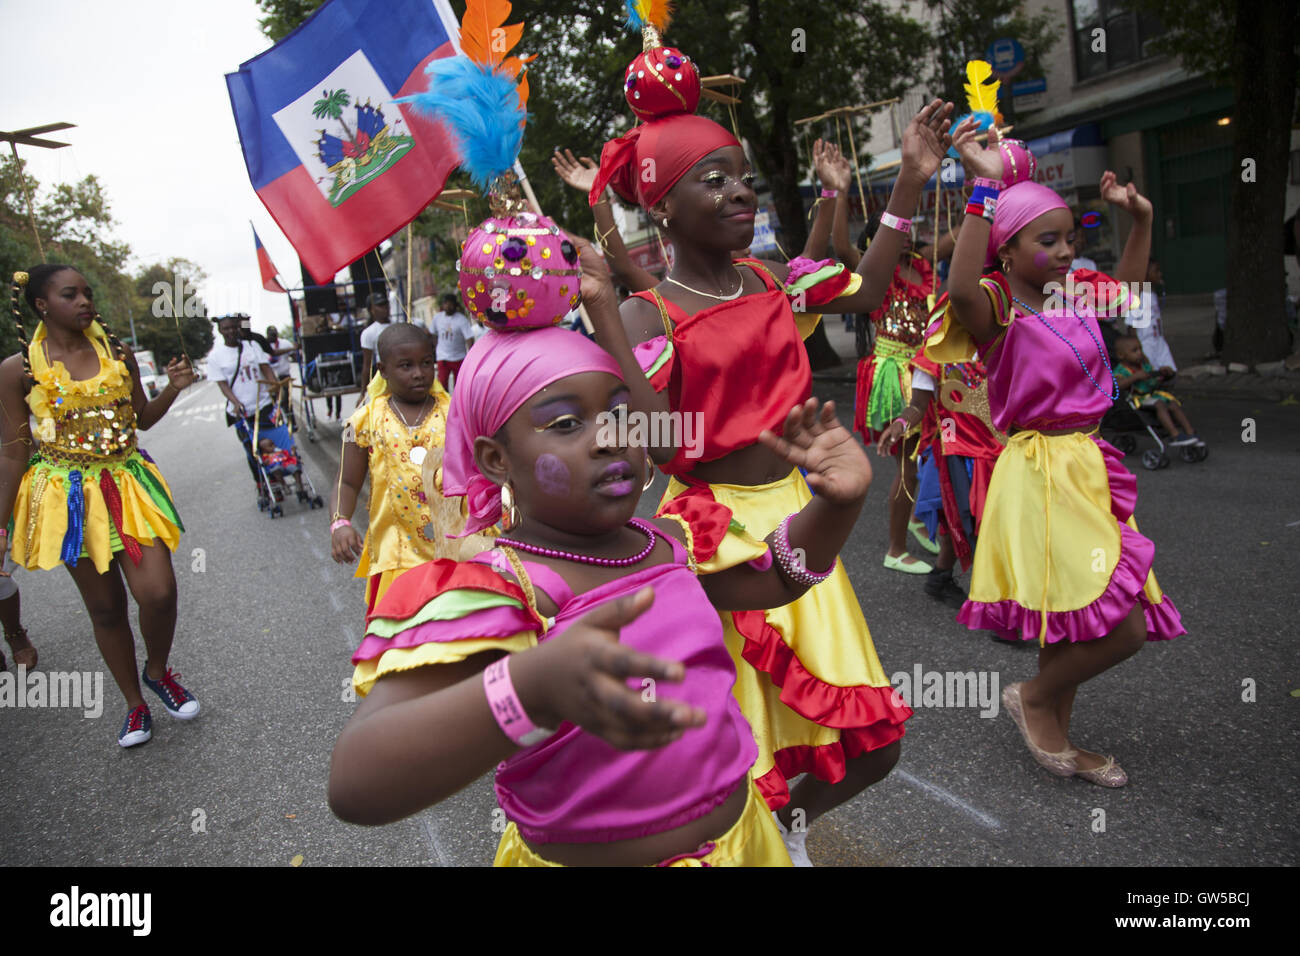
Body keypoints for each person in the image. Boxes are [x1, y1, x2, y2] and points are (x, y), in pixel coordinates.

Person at [584, 37, 956, 859]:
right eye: (711, 180)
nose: (739, 191)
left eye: (743, 175)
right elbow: (650, 445)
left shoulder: (770, 279)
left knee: (874, 740)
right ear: (664, 209)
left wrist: (910, 180)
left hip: (806, 513)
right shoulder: (653, 312)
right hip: (718, 539)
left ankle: (783, 831)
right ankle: (747, 844)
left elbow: (863, 287)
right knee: (735, 745)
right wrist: (609, 321)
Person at [328, 313, 876, 867]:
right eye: (566, 424)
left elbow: (778, 577)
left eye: (619, 413)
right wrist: (527, 689)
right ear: (496, 459)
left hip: (748, 846)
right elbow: (356, 782)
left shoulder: (672, 538)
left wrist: (837, 505)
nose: (609, 438)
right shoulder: (502, 588)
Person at [932, 121, 1184, 787]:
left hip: (1088, 466)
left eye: (1072, 237)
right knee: (1123, 625)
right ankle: (1034, 698)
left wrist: (1140, 222)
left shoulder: (1073, 296)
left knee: (1075, 611)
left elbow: (1128, 294)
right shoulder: (995, 308)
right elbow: (958, 291)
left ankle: (1057, 732)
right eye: (1049, 240)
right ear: (1007, 252)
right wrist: (981, 189)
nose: (1068, 250)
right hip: (1039, 472)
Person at [0, 265, 199, 747]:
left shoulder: (119, 354)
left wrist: (173, 387)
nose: (85, 301)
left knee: (158, 592)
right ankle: (134, 705)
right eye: (71, 295)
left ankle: (157, 671)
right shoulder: (17, 370)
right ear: (42, 305)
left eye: (87, 293)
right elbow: (13, 450)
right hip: (65, 501)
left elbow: (144, 419)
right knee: (106, 608)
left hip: (128, 487)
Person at [330, 324, 486, 611]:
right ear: (383, 370)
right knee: (409, 641)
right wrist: (340, 522)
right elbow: (347, 482)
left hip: (459, 548)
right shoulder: (363, 422)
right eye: (406, 365)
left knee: (466, 634)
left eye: (426, 363)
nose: (419, 373)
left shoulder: (456, 412)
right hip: (397, 556)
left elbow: (484, 467)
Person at [876, 336, 1006, 615]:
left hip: (999, 450)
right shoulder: (934, 354)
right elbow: (918, 406)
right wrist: (900, 424)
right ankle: (997, 602)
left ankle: (943, 576)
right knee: (960, 520)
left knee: (994, 521)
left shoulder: (1002, 342)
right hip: (954, 450)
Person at [208, 315, 283, 491]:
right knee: (252, 449)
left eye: (233, 327)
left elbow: (266, 369)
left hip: (263, 404)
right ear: (220, 330)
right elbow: (223, 384)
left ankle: (277, 477)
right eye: (226, 328)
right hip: (241, 412)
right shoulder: (216, 356)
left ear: (238, 328)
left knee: (272, 443)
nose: (231, 331)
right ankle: (261, 482)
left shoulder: (252, 346)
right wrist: (235, 402)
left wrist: (276, 389)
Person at [1113, 334, 1201, 446]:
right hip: (1138, 398)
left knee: (1173, 404)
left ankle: (1190, 432)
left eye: (1140, 349)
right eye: (1134, 351)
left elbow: (1153, 381)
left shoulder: (1144, 365)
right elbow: (1118, 385)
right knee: (1160, 404)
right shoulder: (1121, 371)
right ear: (1121, 355)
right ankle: (1175, 434)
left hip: (1152, 395)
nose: (1140, 352)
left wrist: (1162, 375)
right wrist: (1135, 377)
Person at [1132, 258, 1176, 372]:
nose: (1160, 274)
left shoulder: (1152, 294)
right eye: (1156, 271)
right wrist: (1138, 350)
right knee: (1154, 373)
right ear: (1145, 273)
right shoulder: (1137, 295)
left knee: (1170, 371)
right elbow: (1131, 327)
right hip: (1146, 344)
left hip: (1159, 341)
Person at [429, 294, 479, 392]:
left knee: (459, 385)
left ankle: (457, 403)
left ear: (455, 305)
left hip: (458, 357)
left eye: (450, 304)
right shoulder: (437, 318)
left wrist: (470, 355)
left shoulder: (461, 320)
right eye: (445, 304)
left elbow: (469, 338)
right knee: (442, 383)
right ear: (443, 305)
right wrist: (434, 349)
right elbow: (432, 333)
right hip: (442, 357)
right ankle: (444, 404)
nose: (448, 306)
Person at [357, 293, 391, 394]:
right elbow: (367, 364)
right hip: (384, 377)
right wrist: (363, 392)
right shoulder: (368, 333)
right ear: (371, 310)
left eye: (386, 304)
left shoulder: (398, 326)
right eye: (380, 306)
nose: (385, 308)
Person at [264, 326, 298, 429]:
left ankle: (293, 423)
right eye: (271, 335)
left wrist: (295, 352)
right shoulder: (263, 346)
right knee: (274, 402)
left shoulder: (284, 343)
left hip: (284, 376)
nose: (274, 336)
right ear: (267, 335)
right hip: (271, 378)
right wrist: (291, 348)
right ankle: (280, 423)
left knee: (286, 401)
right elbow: (273, 353)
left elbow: (294, 356)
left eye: (275, 334)